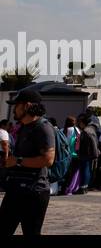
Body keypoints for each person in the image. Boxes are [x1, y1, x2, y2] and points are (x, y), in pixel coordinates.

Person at [1, 87, 57, 235]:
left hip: (34, 191)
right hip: (16, 188)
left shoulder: (43, 128)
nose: (14, 110)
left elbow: (48, 159)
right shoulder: (24, 127)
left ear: (27, 106)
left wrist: (17, 161)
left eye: (16, 105)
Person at [75, 113, 99, 194]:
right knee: (88, 169)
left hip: (85, 152)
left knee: (85, 169)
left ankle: (82, 187)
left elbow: (84, 144)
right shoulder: (92, 129)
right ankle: (85, 187)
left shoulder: (85, 131)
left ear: (82, 122)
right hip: (91, 153)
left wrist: (80, 152)